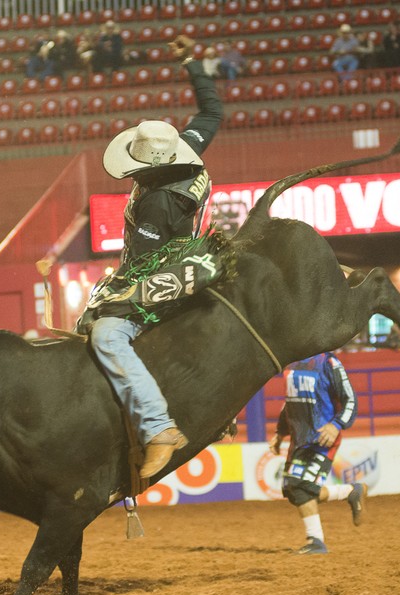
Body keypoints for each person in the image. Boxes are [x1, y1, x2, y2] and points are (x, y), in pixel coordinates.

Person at [79, 35, 223, 479]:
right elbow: (212, 111)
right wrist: (192, 62)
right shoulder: (191, 150)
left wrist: (110, 296)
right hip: (194, 263)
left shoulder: (158, 203)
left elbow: (141, 263)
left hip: (165, 275)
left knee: (104, 334)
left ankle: (159, 427)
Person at [269, 352, 366, 555]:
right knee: (293, 490)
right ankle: (350, 491)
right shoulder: (290, 361)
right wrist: (280, 432)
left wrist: (336, 425)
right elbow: (291, 401)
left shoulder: (329, 362)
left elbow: (351, 401)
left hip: (323, 437)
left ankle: (316, 541)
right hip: (300, 438)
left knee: (300, 487)